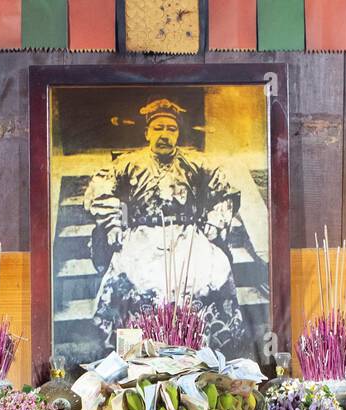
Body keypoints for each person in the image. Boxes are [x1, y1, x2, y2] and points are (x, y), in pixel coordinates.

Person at [83, 98, 249, 355]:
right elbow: (99, 190)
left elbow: (227, 191)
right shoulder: (129, 163)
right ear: (147, 132)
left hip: (187, 237)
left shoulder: (195, 164)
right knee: (126, 277)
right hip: (143, 238)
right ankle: (135, 350)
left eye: (171, 130)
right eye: (158, 128)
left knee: (215, 270)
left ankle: (202, 347)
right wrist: (113, 223)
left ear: (178, 134)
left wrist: (215, 223)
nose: (164, 135)